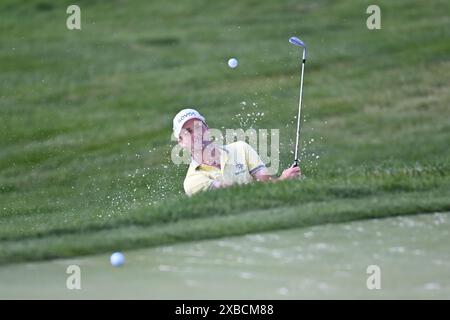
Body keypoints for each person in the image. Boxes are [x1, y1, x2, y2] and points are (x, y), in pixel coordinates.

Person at [173, 108, 300, 196]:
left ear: (208, 129)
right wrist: (282, 180)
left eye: (198, 127)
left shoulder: (241, 148)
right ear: (181, 142)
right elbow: (231, 194)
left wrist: (283, 180)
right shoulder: (192, 181)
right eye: (187, 132)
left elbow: (266, 182)